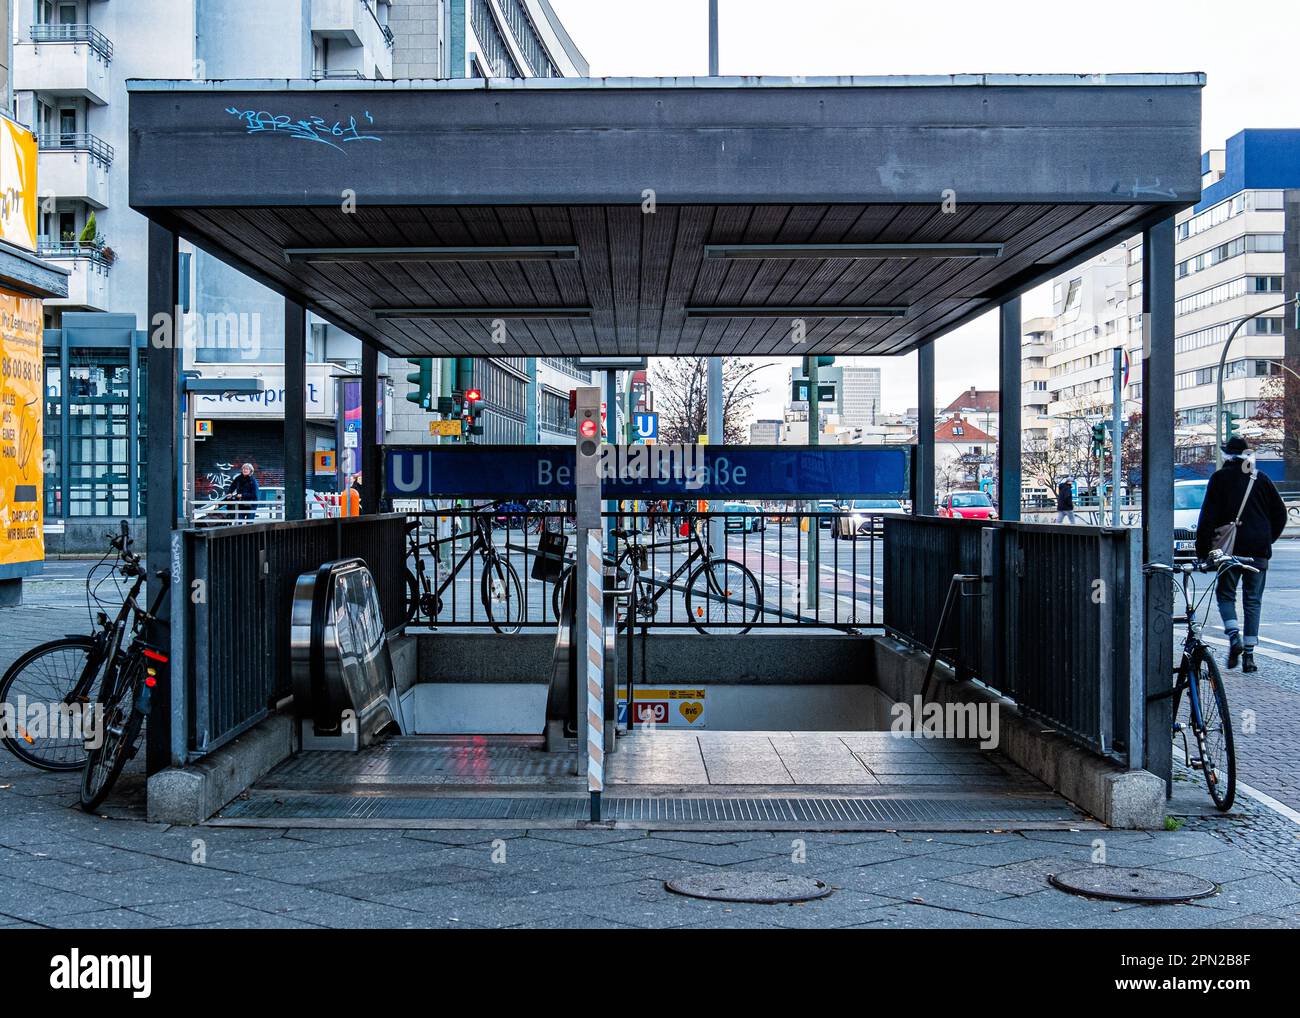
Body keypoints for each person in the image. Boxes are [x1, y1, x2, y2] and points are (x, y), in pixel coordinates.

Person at [1195, 436, 1287, 673]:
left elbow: (1207, 518)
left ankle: (1233, 634)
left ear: (1226, 455)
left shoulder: (1219, 479)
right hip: (1258, 551)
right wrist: (1266, 539)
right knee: (1253, 601)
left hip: (1230, 550)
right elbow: (1280, 514)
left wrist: (1204, 552)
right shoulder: (1261, 478)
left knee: (1225, 594)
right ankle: (1249, 656)